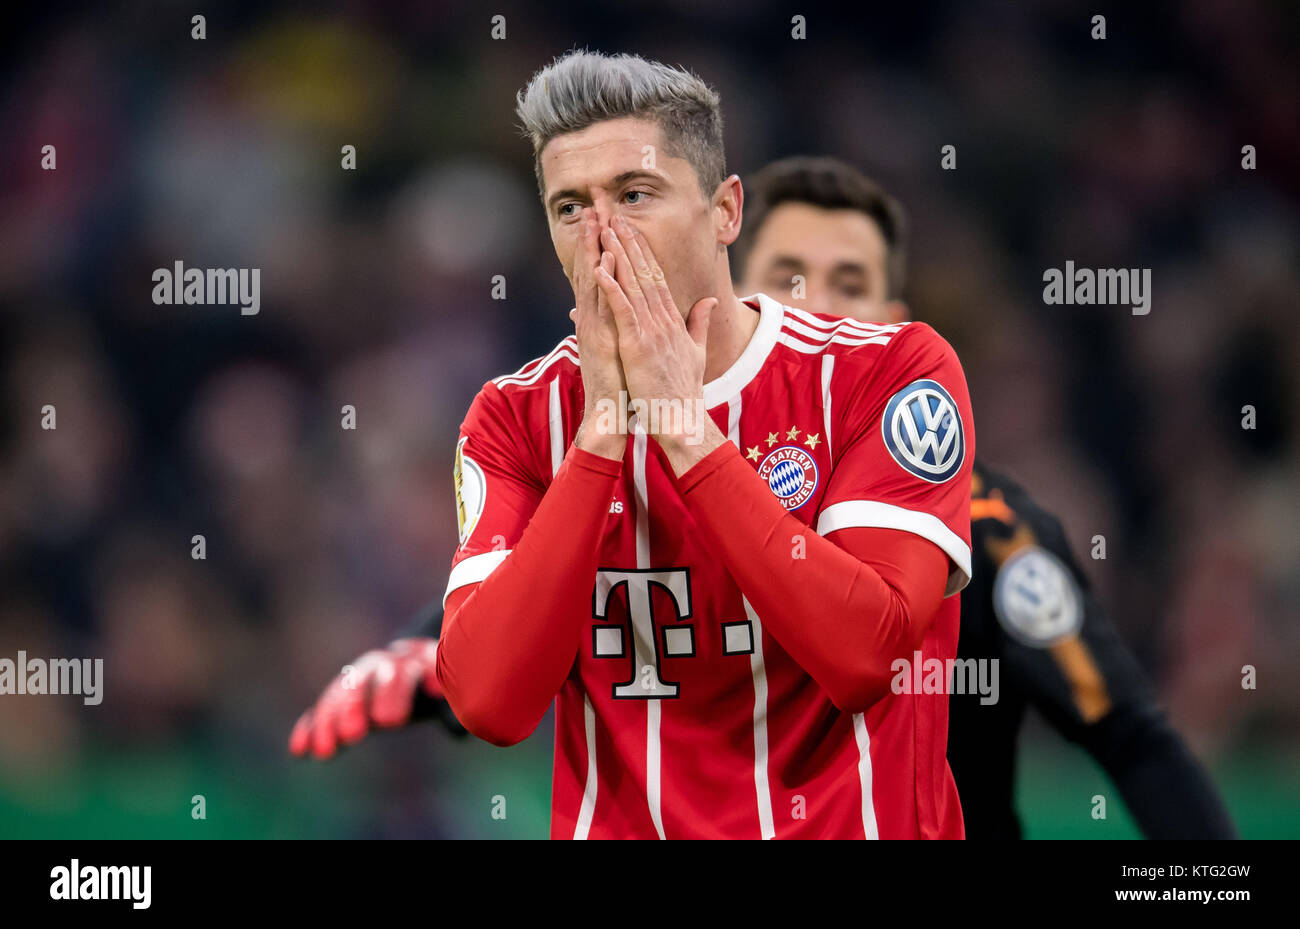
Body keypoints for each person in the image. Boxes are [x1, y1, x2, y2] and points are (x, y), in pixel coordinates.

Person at [294, 51, 975, 840]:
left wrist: (684, 430)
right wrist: (600, 438)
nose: (603, 234)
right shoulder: (517, 419)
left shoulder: (885, 372)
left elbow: (868, 656)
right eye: (570, 207)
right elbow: (488, 701)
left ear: (726, 212)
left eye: (635, 194)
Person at [730, 155, 1236, 839]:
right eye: (788, 277)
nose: (818, 306)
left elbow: (1133, 740)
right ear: (735, 308)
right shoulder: (654, 512)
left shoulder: (991, 536)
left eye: (850, 283)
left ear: (897, 326)